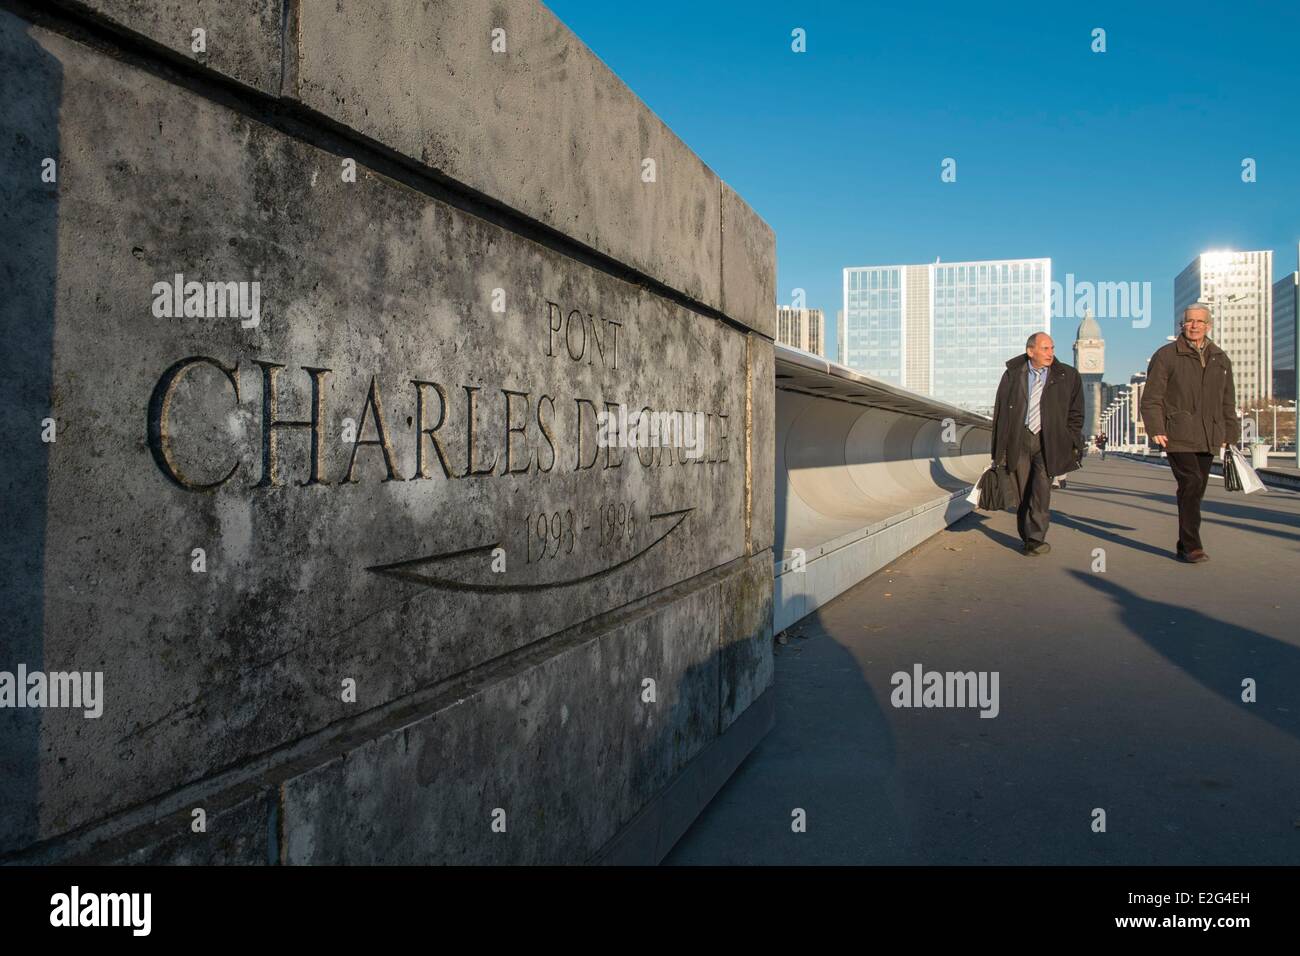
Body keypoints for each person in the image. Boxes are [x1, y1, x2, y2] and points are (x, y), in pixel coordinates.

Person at [1139, 302, 1239, 563]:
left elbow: (1227, 400)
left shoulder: (1221, 358)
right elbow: (1151, 398)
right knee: (1191, 482)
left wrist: (1231, 433)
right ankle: (1193, 546)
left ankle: (1184, 544)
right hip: (1177, 433)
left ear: (1209, 325)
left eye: (1200, 321)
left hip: (1209, 435)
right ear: (1182, 325)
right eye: (1189, 321)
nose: (1194, 326)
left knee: (1196, 488)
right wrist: (1155, 427)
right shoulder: (1167, 355)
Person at [990, 332, 1085, 555]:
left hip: (1049, 440)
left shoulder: (1068, 375)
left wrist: (1069, 438)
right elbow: (1000, 412)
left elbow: (1077, 412)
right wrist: (997, 450)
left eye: (1052, 348)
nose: (1050, 353)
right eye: (1045, 349)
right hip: (1019, 438)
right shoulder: (1013, 374)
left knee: (1041, 490)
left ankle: (1035, 538)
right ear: (1030, 351)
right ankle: (1027, 535)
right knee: (1022, 492)